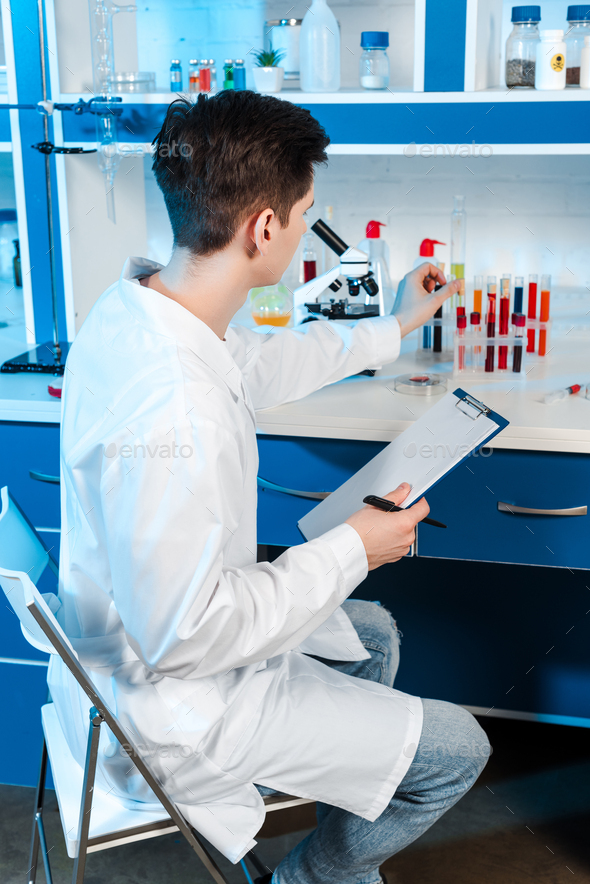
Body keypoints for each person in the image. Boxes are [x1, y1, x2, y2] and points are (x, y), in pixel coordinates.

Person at [48, 90, 490, 884]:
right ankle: (315, 877)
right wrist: (355, 547)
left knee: (374, 635)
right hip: (177, 711)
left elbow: (254, 366)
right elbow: (186, 637)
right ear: (264, 228)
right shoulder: (174, 407)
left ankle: (338, 785)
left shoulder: (137, 312)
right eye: (306, 211)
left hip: (130, 655)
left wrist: (392, 326)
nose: (306, 222)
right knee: (462, 751)